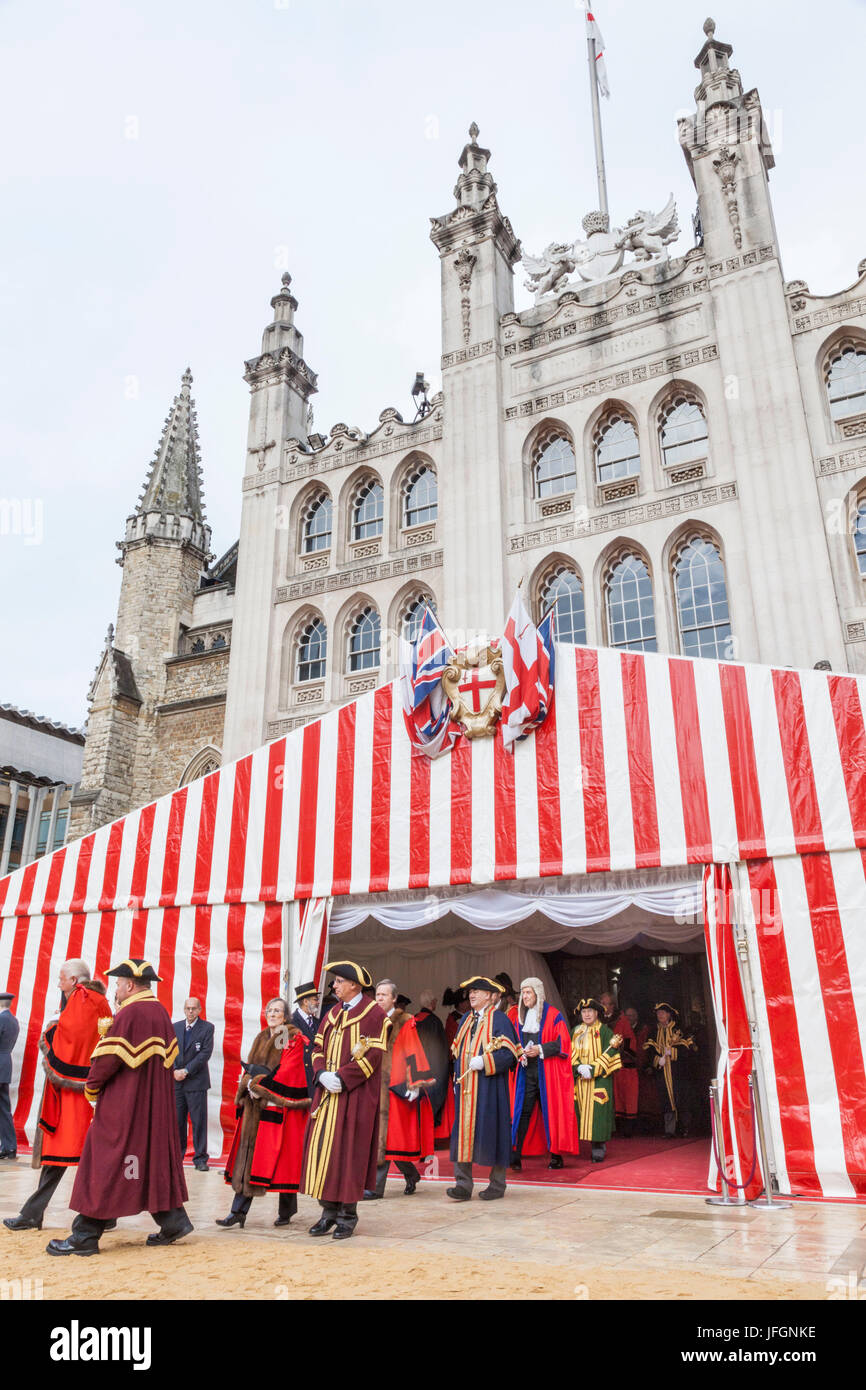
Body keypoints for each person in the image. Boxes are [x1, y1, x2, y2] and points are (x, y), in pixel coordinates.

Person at [45, 959, 192, 1256]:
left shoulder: (131, 1013)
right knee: (145, 1162)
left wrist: (91, 1086)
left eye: (117, 984)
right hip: (153, 1108)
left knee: (105, 1162)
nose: (115, 989)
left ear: (129, 984)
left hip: (125, 1105)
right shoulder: (160, 1013)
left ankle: (85, 1235)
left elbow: (108, 1060)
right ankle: (173, 1220)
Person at [4, 961, 112, 1231]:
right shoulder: (95, 1000)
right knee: (90, 1157)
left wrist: (51, 1031)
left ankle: (33, 1214)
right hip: (88, 1090)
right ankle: (102, 1214)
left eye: (61, 979)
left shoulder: (84, 999)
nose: (58, 984)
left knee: (62, 1153)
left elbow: (71, 1037)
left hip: (74, 1094)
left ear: (75, 980)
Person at [302, 960, 390, 1240]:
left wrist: (343, 1078)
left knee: (348, 1154)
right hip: (326, 1094)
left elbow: (373, 1057)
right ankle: (327, 1212)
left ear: (354, 984)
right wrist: (321, 1074)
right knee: (324, 1155)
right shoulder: (332, 1013)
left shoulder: (374, 1014)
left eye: (339, 981)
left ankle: (347, 1216)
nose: (334, 986)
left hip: (355, 1096)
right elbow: (316, 1047)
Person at [219, 998, 309, 1228]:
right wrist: (249, 1084)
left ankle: (286, 1211)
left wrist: (263, 1089)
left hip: (275, 1106)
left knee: (280, 1160)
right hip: (254, 1105)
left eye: (277, 1010)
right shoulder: (261, 1037)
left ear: (286, 1016)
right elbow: (250, 1064)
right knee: (251, 1158)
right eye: (270, 1009)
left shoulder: (291, 1035)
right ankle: (237, 1211)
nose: (272, 1013)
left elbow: (289, 1071)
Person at [447, 975, 520, 1202]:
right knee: (462, 1134)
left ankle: (497, 1185)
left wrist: (485, 1062)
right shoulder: (466, 1019)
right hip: (466, 1088)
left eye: (477, 991)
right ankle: (462, 1184)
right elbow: (457, 1054)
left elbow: (510, 1054)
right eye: (471, 992)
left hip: (490, 1089)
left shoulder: (500, 1019)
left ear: (490, 996)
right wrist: (456, 1080)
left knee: (494, 1132)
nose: (472, 994)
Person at [509, 978, 578, 1171]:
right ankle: (515, 1155)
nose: (524, 997)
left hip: (547, 1073)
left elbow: (563, 1043)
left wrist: (540, 1049)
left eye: (528, 993)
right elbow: (515, 1043)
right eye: (523, 993)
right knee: (522, 1112)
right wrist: (520, 1054)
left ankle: (556, 1156)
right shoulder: (520, 1019)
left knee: (551, 1112)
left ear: (537, 994)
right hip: (526, 1073)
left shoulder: (554, 1015)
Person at [364, 980, 419, 1199]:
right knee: (384, 1138)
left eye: (384, 995)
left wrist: (414, 1082)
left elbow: (413, 1051)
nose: (379, 999)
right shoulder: (369, 1020)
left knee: (386, 1136)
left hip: (395, 1086)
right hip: (373, 1085)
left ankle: (375, 1187)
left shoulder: (405, 1021)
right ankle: (411, 1174)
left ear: (394, 998)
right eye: (377, 994)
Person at [571, 997, 623, 1163]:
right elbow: (568, 1051)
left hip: (600, 1079)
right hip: (580, 1079)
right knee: (579, 1111)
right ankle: (577, 1145)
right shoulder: (575, 1031)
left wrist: (593, 1069)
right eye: (584, 1012)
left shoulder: (606, 1032)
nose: (586, 1014)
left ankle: (598, 1147)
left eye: (590, 1011)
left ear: (596, 1013)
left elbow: (612, 1054)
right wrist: (578, 1067)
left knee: (598, 1113)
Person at [644, 1002, 698, 1137]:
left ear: (669, 1014)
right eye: (658, 1013)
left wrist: (673, 1052)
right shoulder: (654, 1032)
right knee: (666, 1100)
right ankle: (670, 1130)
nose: (660, 1015)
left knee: (682, 1099)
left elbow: (688, 1050)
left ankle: (685, 1128)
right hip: (662, 1072)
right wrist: (657, 1060)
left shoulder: (679, 1030)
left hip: (678, 1071)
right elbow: (649, 1051)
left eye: (663, 1012)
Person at [173, 997, 214, 1171]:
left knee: (198, 1121)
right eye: (188, 1008)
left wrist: (186, 1070)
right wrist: (175, 1070)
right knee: (178, 1121)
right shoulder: (175, 1027)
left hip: (196, 1081)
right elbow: (170, 1050)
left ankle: (200, 1158)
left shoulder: (207, 1028)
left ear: (199, 1010)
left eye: (194, 1009)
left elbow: (205, 1053)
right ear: (184, 1009)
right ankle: (177, 1156)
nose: (190, 1012)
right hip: (177, 1082)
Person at [599, 989, 638, 1138]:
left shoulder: (621, 1021)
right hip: (601, 1065)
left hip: (617, 1064)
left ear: (613, 1006)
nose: (605, 1007)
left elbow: (630, 1040)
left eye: (608, 1004)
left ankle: (624, 1129)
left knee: (622, 1097)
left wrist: (619, 1054)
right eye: (602, 1004)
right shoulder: (595, 1019)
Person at [0, 990, 19, 1159]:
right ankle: (9, 1146)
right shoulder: (13, 1020)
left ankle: (8, 1146)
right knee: (4, 1109)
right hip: (5, 1065)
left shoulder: (1, 1019)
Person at [291, 981, 320, 1095]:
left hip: (315, 1076)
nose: (318, 1002)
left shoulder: (318, 1022)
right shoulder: (291, 1022)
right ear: (305, 1001)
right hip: (300, 1078)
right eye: (315, 999)